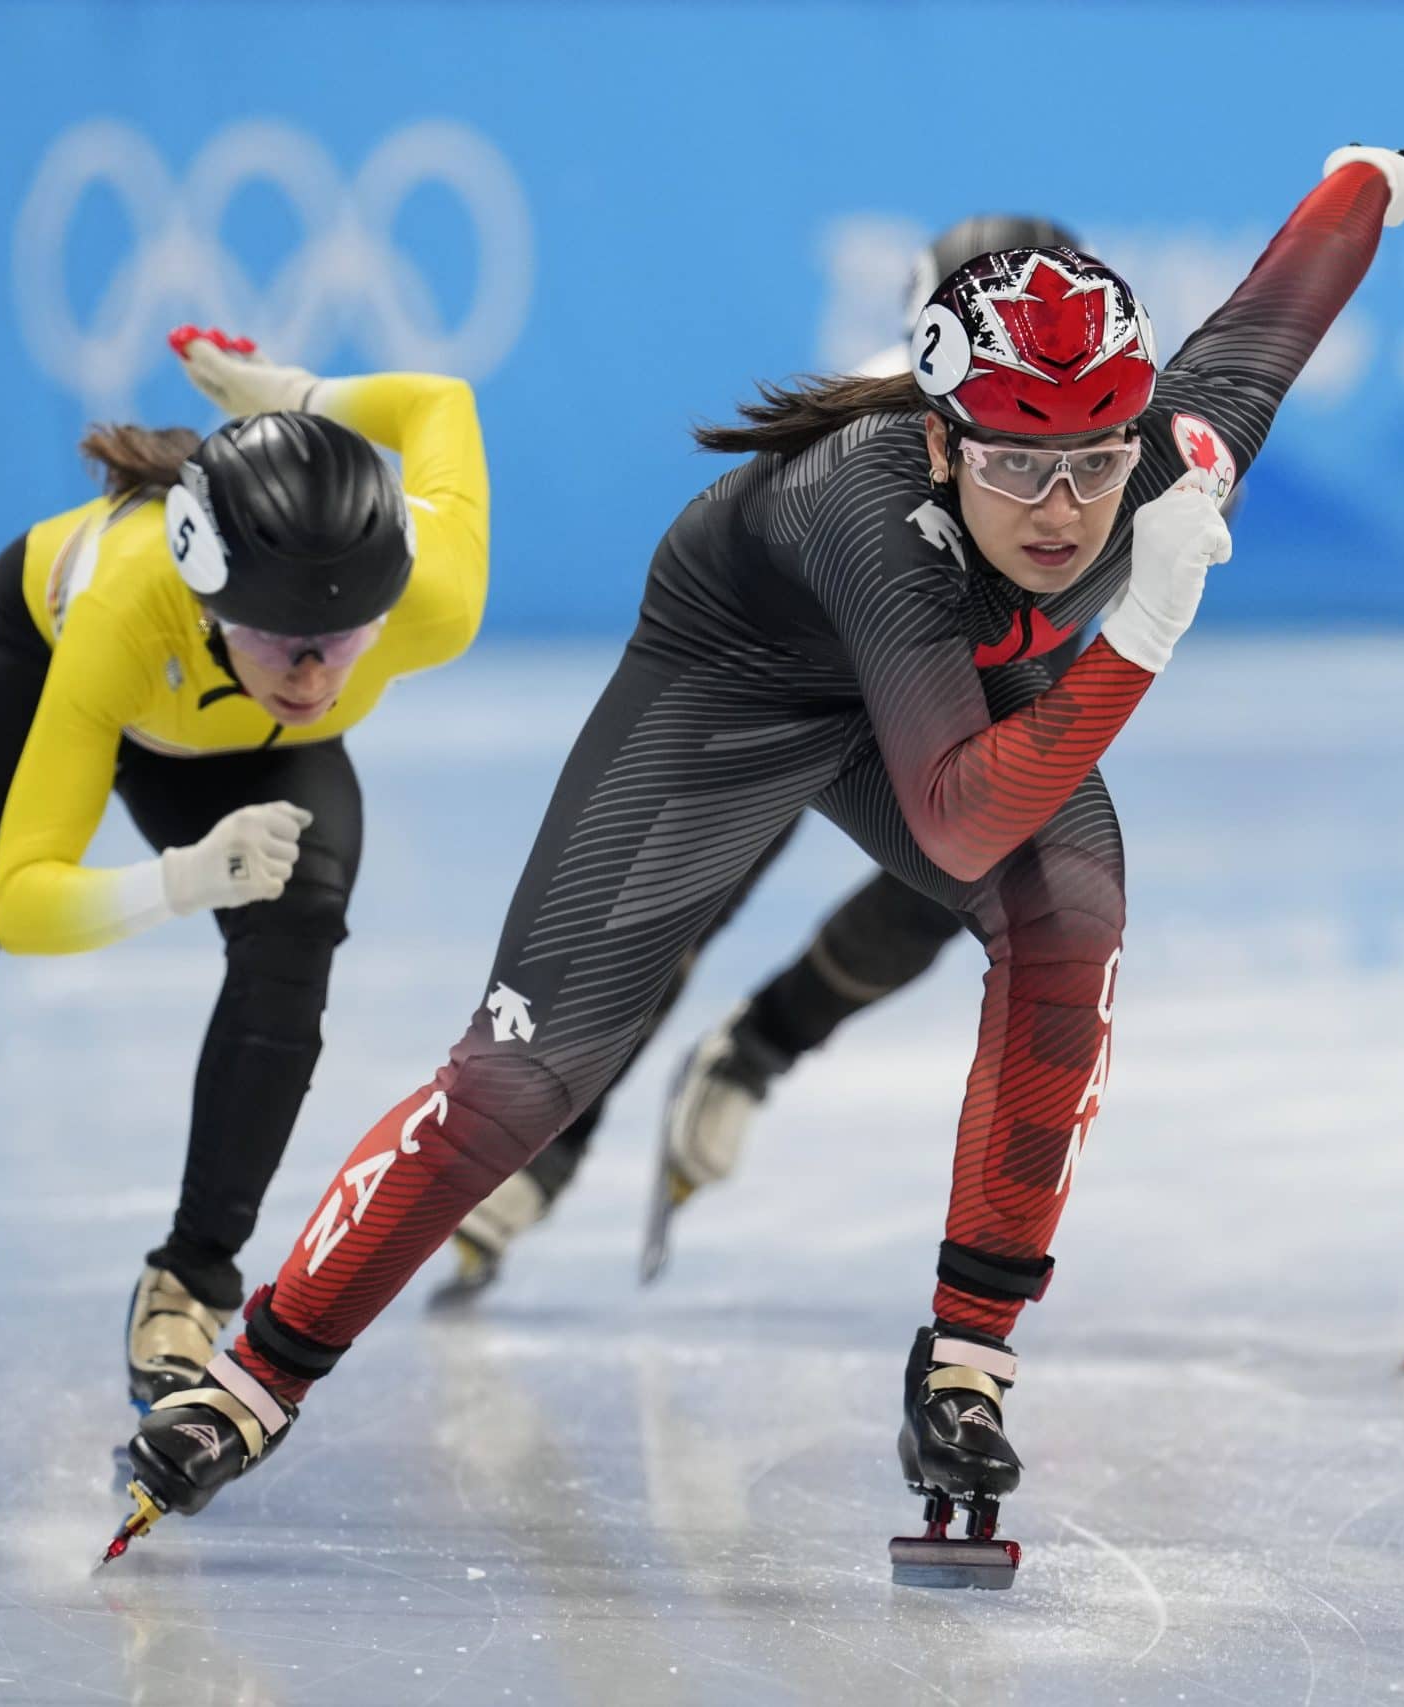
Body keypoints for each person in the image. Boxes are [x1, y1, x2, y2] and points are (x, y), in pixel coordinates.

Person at [107, 146, 1404, 1585]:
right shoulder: (870, 508)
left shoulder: (1169, 456)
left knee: (1074, 907)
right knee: (525, 1077)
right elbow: (958, 824)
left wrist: (1364, 179)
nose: (1062, 509)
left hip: (936, 697)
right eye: (1013, 465)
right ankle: (254, 1376)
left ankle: (969, 1359)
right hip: (736, 692)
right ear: (941, 444)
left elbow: (1272, 318)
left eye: (1095, 464)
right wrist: (1142, 629)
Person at [436, 215, 1094, 1303]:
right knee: (681, 900)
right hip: (801, 674)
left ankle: (757, 1049)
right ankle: (549, 1145)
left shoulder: (1103, 436)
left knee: (972, 873)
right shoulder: (869, 424)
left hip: (953, 674)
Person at [0, 329, 488, 1409]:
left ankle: (191, 1279)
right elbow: (20, 901)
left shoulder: (431, 594)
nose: (313, 675)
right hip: (51, 662)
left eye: (347, 636)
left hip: (248, 746)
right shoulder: (123, 612)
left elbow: (441, 403)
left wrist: (297, 392)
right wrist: (176, 881)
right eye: (279, 638)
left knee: (296, 930)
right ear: (209, 600)